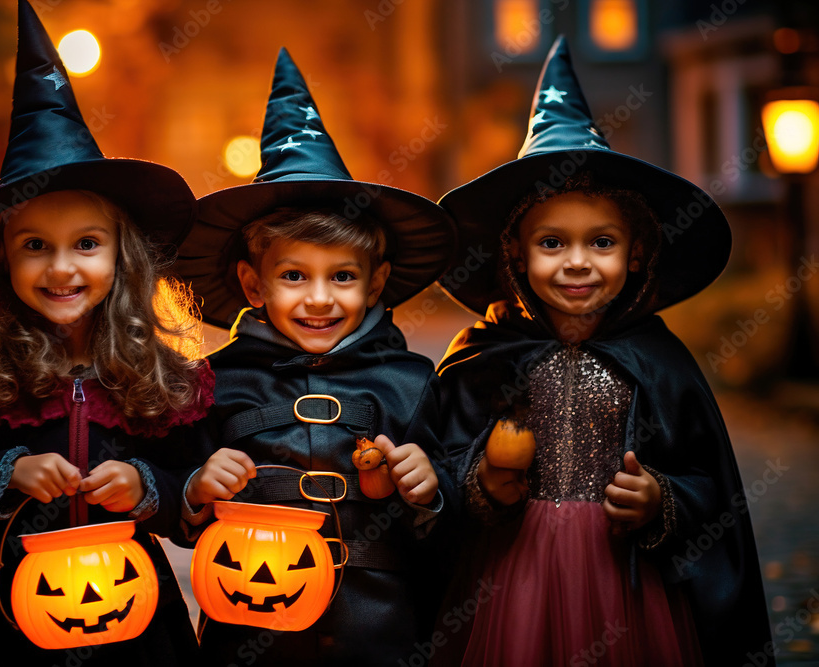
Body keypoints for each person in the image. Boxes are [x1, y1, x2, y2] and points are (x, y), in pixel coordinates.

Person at [432, 37, 773, 666]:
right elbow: (439, 464)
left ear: (636, 253)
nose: (577, 262)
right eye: (553, 242)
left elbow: (710, 483)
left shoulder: (660, 359)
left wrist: (662, 500)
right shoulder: (484, 351)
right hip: (512, 575)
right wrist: (485, 480)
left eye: (603, 242)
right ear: (517, 255)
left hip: (626, 581)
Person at [0, 2, 211, 664]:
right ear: (2, 262)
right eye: (36, 246)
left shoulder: (156, 373)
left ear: (121, 256)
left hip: (129, 609)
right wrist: (7, 469)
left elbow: (192, 488)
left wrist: (147, 487)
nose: (62, 266)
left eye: (86, 243)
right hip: (1, 615)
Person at [171, 48, 458, 665]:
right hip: (251, 625)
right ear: (254, 286)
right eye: (295, 275)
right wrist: (196, 489)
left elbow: (451, 524)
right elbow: (173, 498)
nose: (320, 299)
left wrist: (426, 491)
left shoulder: (411, 383)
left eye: (343, 277)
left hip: (379, 628)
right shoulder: (217, 382)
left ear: (376, 284)